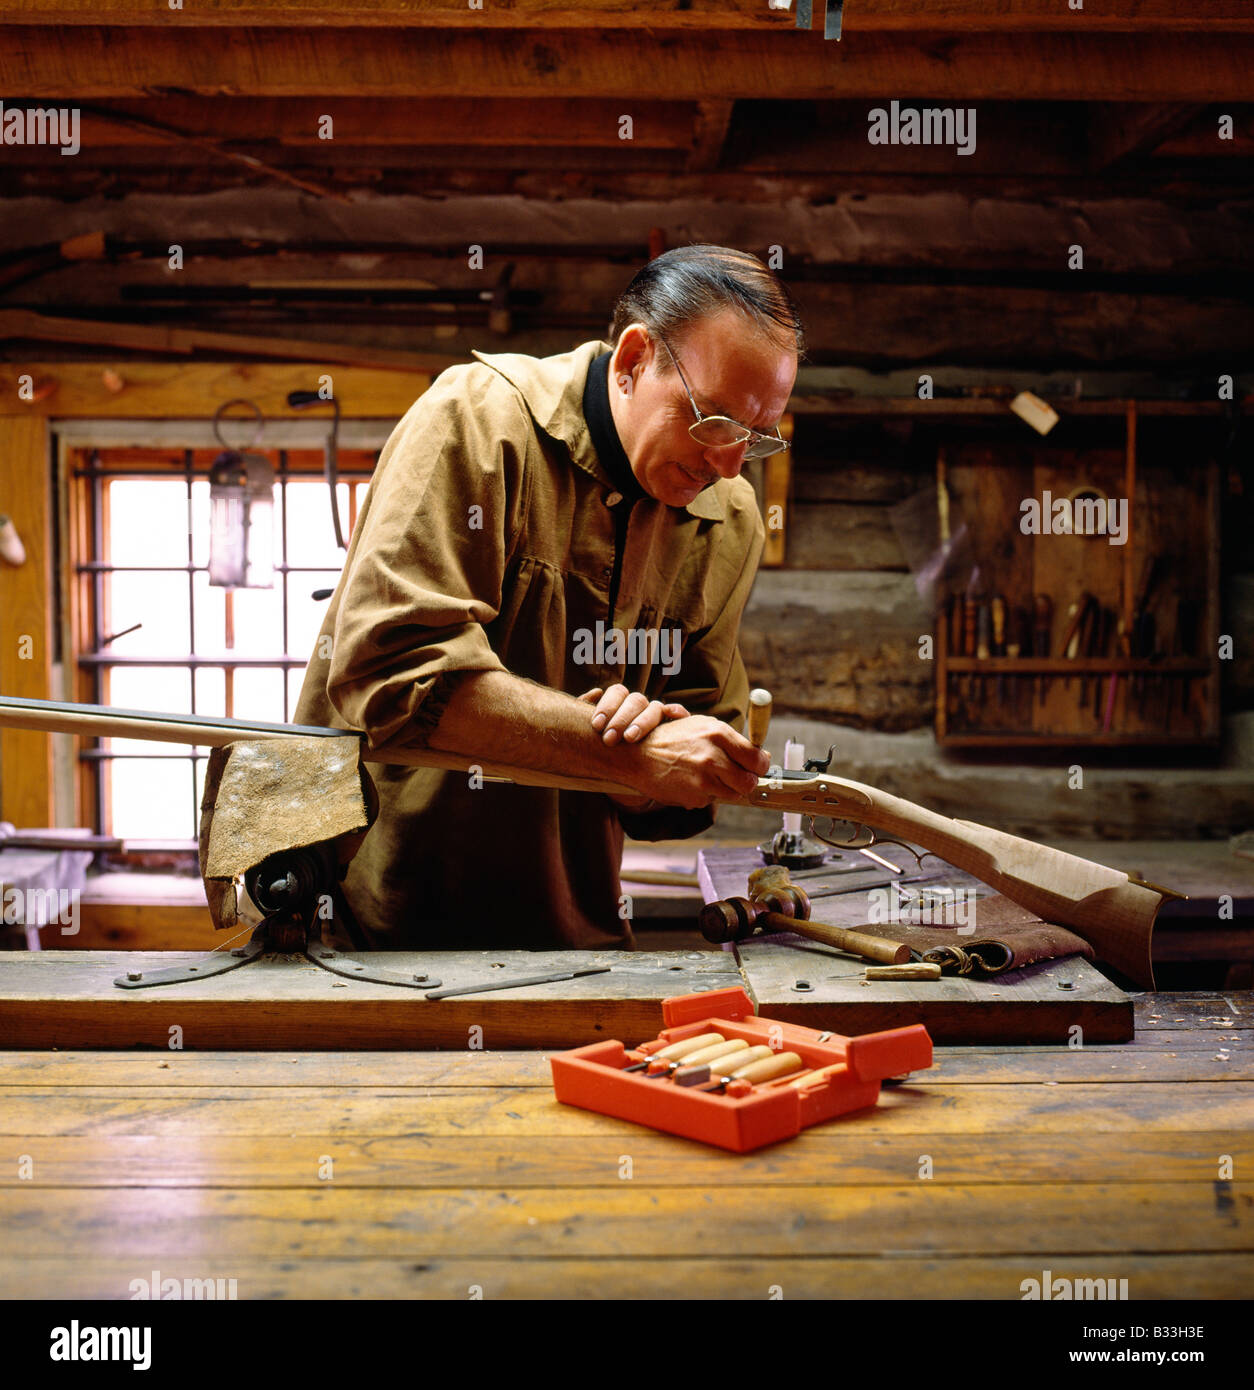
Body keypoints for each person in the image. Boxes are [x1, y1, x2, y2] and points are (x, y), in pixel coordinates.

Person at [294, 244, 803, 948]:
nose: (727, 463)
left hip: (576, 942)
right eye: (714, 420)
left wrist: (652, 767)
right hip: (379, 935)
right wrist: (623, 753)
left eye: (757, 435)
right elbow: (388, 679)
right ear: (632, 362)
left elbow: (680, 797)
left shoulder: (730, 518)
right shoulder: (476, 423)